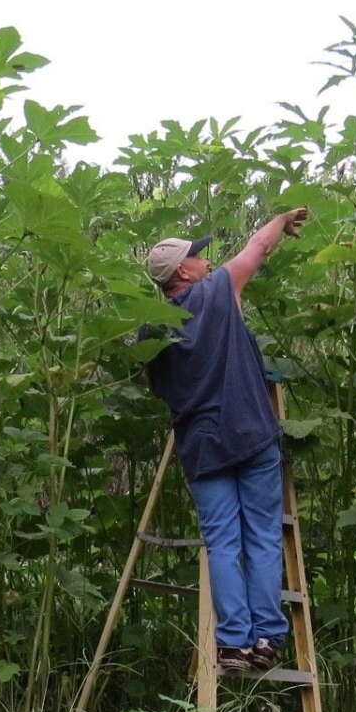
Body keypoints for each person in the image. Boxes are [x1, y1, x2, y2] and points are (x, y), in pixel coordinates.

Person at [144, 209, 309, 670]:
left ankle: (233, 642)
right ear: (182, 271)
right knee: (261, 536)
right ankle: (267, 641)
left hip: (202, 444)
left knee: (220, 542)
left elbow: (160, 388)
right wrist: (280, 219)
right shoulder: (217, 292)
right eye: (197, 256)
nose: (205, 259)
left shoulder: (151, 329)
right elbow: (258, 249)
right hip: (251, 435)